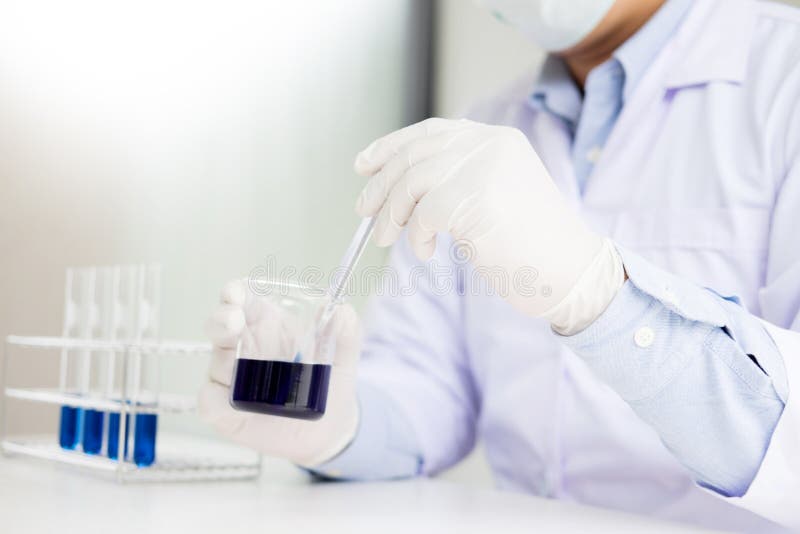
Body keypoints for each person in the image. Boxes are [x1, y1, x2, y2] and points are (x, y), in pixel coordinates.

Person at [199, 0, 800, 531]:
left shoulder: (785, 81)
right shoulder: (487, 127)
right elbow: (428, 386)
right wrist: (338, 427)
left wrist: (601, 299)